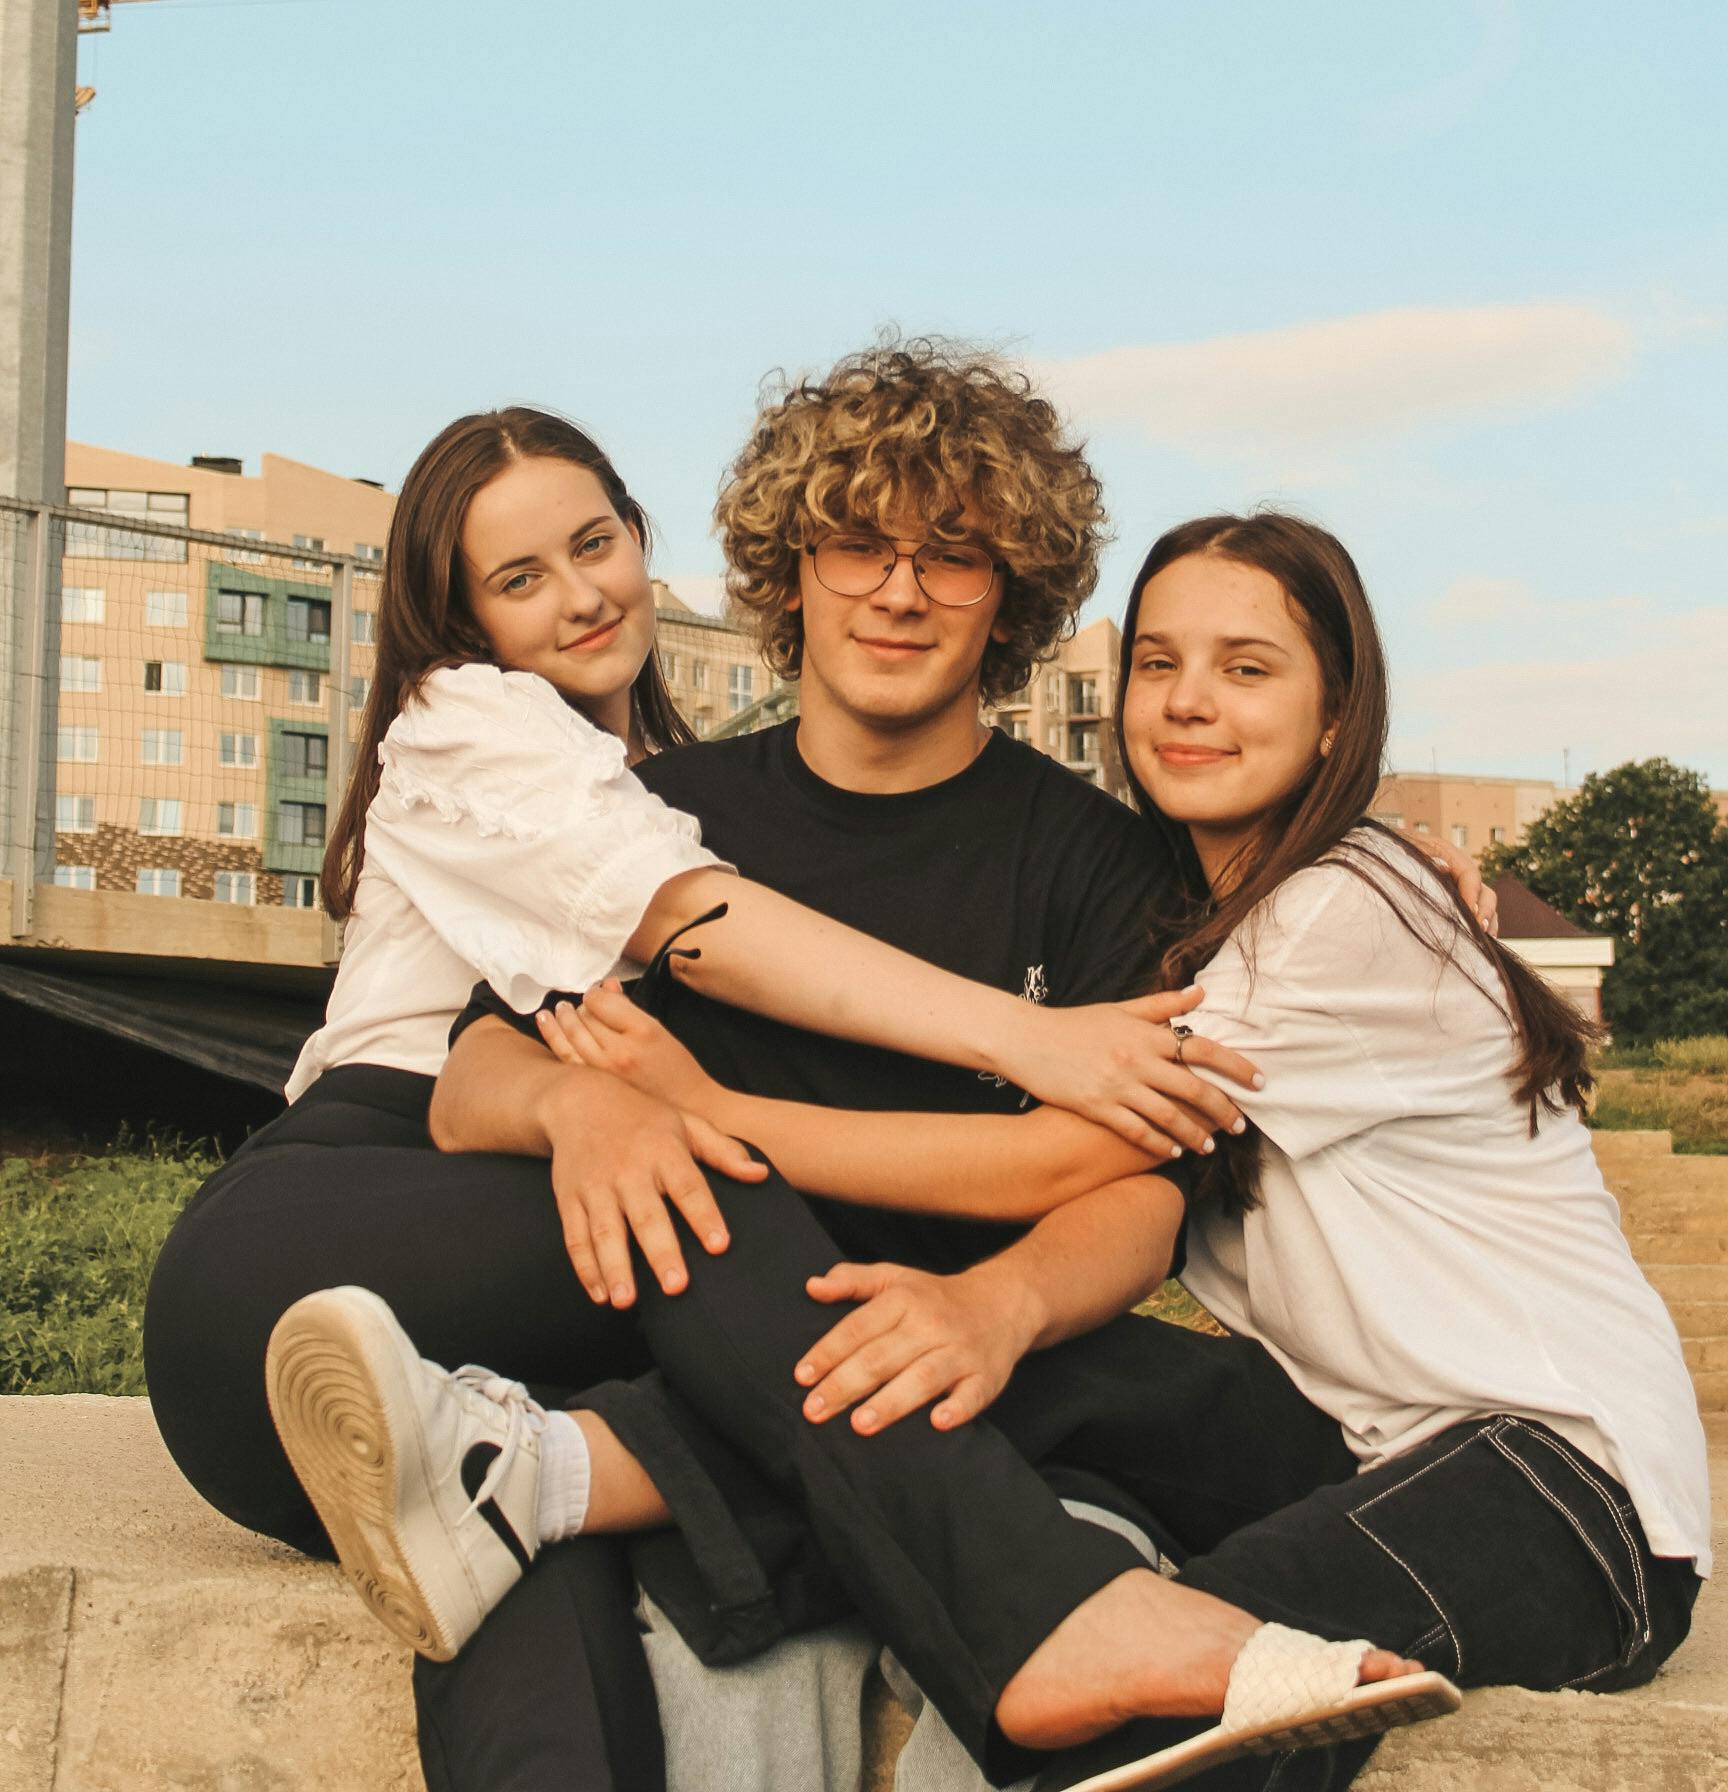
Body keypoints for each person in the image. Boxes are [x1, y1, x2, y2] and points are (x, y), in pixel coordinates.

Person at [249, 358, 1504, 1790]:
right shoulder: (669, 815)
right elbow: (470, 1079)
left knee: (1213, 1439)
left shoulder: (1103, 863)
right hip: (730, 1392)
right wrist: (585, 1103)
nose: (899, 593)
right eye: (858, 545)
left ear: (1013, 593)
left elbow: (1139, 1197)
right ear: (791, 569)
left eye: (953, 556)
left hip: (978, 1387)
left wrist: (998, 1302)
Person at [538, 509, 1710, 1791]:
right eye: (1159, 663)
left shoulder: (1340, 913)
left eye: (1247, 669)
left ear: (1338, 715)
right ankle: (550, 1472)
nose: (1190, 702)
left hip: (1559, 1489)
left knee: (1174, 1691)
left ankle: (580, 1472)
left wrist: (703, 1107)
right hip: (1346, 1443)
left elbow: (1052, 1163)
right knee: (1008, 1360)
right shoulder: (1214, 923)